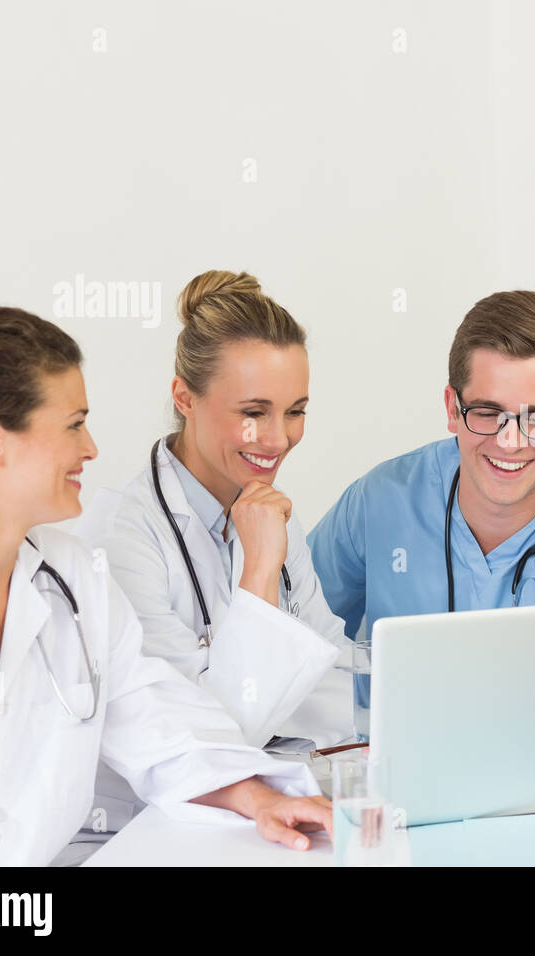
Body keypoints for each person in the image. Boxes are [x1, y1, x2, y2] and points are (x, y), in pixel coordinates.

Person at [0, 305, 332, 865]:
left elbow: (158, 722)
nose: (92, 449)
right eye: (74, 424)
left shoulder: (73, 582)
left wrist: (257, 798)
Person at [75, 270, 353, 839]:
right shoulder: (123, 535)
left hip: (259, 807)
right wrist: (259, 569)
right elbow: (210, 738)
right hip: (148, 830)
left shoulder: (266, 508)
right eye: (253, 412)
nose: (277, 439)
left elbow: (328, 665)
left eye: (295, 410)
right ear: (185, 397)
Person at [307, 290, 535, 645]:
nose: (510, 442)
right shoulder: (380, 500)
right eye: (486, 413)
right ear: (452, 409)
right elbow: (295, 639)